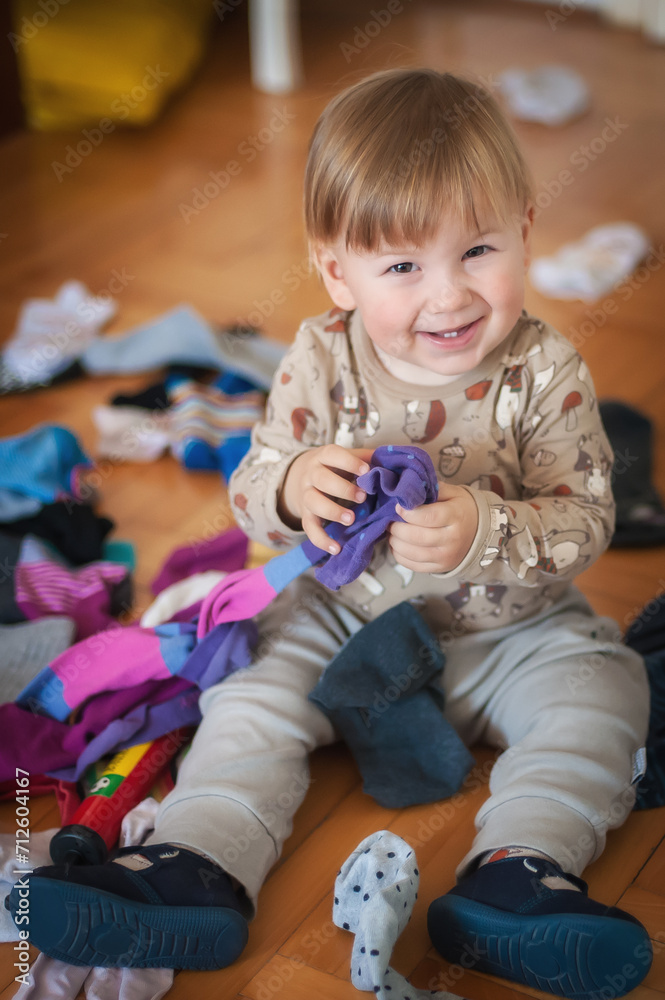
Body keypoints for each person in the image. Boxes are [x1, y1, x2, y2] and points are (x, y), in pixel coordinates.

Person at [8, 69, 652, 999]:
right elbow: (252, 485)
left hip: (511, 633)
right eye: (402, 267)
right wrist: (293, 485)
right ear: (335, 270)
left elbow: (586, 517)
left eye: (477, 250)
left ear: (524, 227)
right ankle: (197, 860)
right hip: (338, 617)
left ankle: (520, 871)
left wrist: (486, 524)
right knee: (248, 690)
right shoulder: (319, 357)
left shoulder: (546, 371)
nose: (448, 296)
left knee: (606, 690)